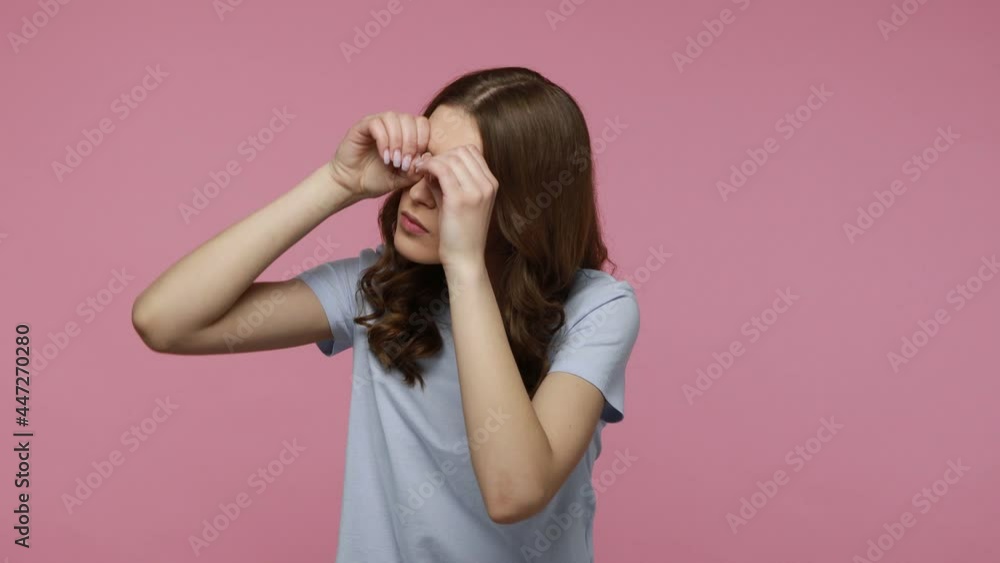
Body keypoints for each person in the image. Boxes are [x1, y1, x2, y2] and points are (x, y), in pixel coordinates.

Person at [131, 66, 640, 563]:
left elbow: (514, 492)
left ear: (521, 205)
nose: (417, 194)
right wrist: (338, 181)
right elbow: (166, 321)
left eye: (452, 181)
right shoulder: (377, 286)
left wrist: (465, 266)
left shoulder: (597, 309)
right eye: (424, 163)